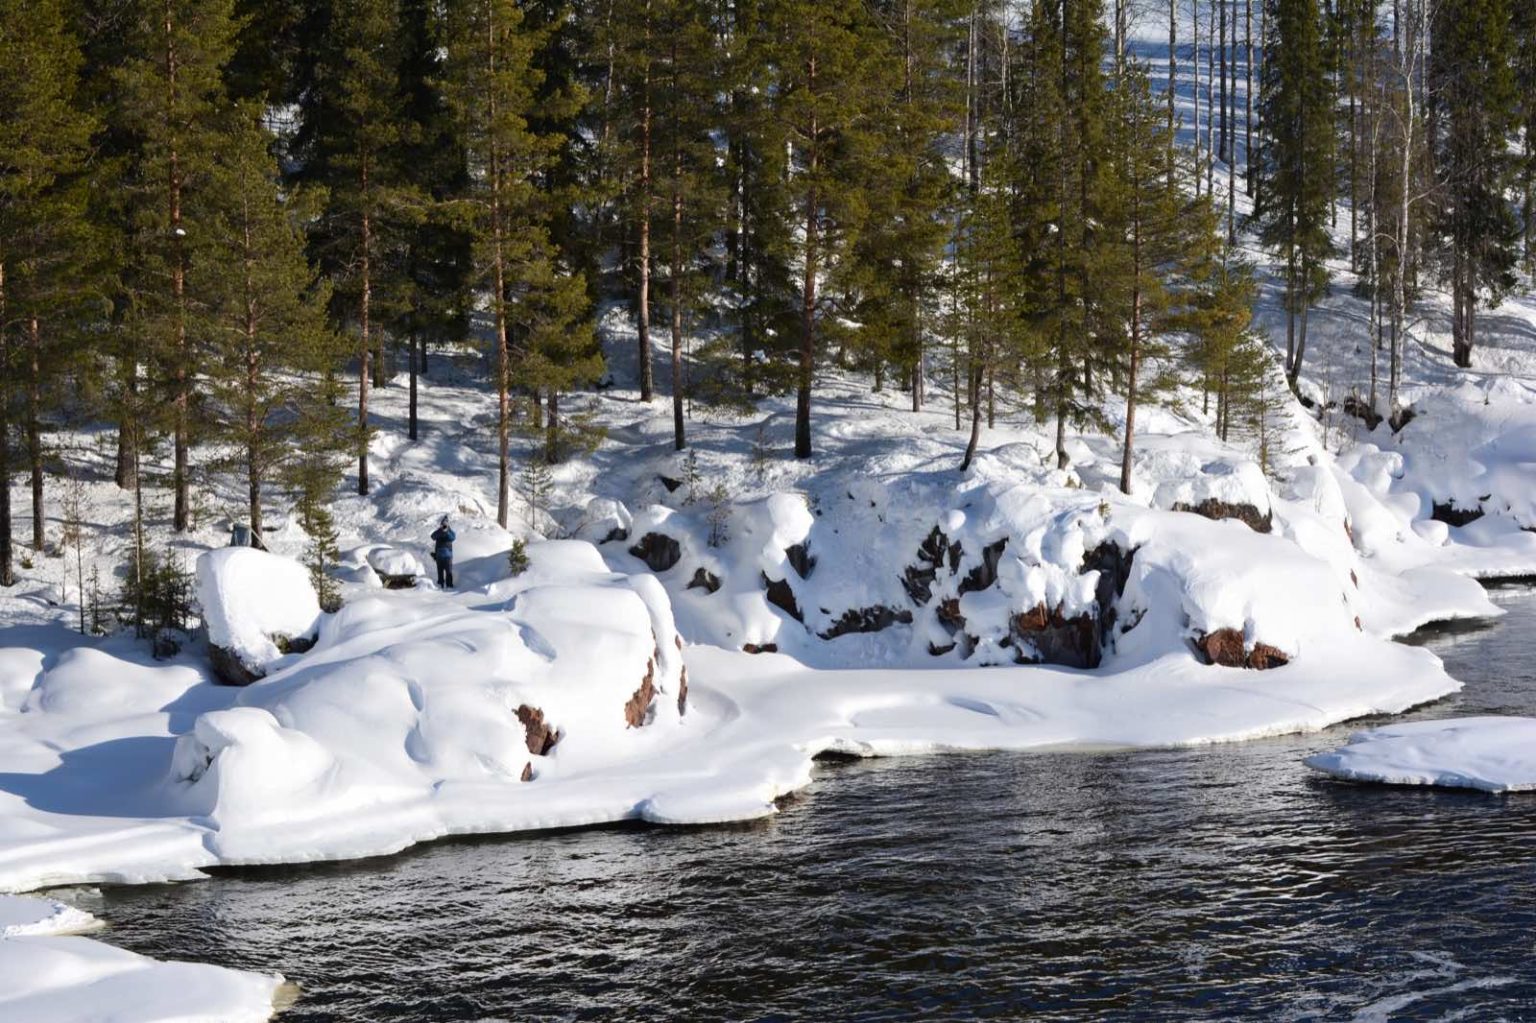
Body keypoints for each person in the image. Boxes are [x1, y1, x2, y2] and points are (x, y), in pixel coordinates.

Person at [431, 516, 456, 589]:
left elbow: (452, 538)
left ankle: (449, 586)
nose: (444, 525)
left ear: (448, 524)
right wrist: (440, 531)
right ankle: (440, 585)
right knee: (440, 572)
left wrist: (447, 532)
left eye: (445, 524)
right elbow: (432, 536)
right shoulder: (439, 531)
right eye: (443, 524)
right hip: (439, 555)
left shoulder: (450, 531)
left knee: (448, 572)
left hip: (448, 556)